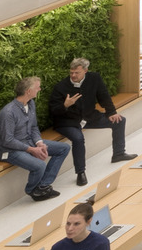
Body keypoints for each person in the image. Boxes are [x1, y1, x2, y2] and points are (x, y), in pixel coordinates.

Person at [49, 58, 132, 187]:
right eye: (71, 73)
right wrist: (65, 105)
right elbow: (53, 111)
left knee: (119, 121)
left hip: (89, 117)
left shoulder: (94, 78)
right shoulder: (61, 87)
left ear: (85, 71)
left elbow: (103, 96)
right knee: (78, 138)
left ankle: (118, 154)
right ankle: (80, 172)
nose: (73, 75)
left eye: (77, 73)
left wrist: (112, 112)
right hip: (67, 122)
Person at [0, 76, 69, 202]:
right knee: (40, 165)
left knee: (64, 148)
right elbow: (8, 140)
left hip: (28, 143)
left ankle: (43, 186)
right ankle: (32, 190)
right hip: (8, 150)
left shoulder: (31, 104)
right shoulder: (8, 113)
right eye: (37, 87)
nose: (39, 89)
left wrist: (39, 143)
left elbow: (33, 127)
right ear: (28, 91)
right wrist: (31, 149)